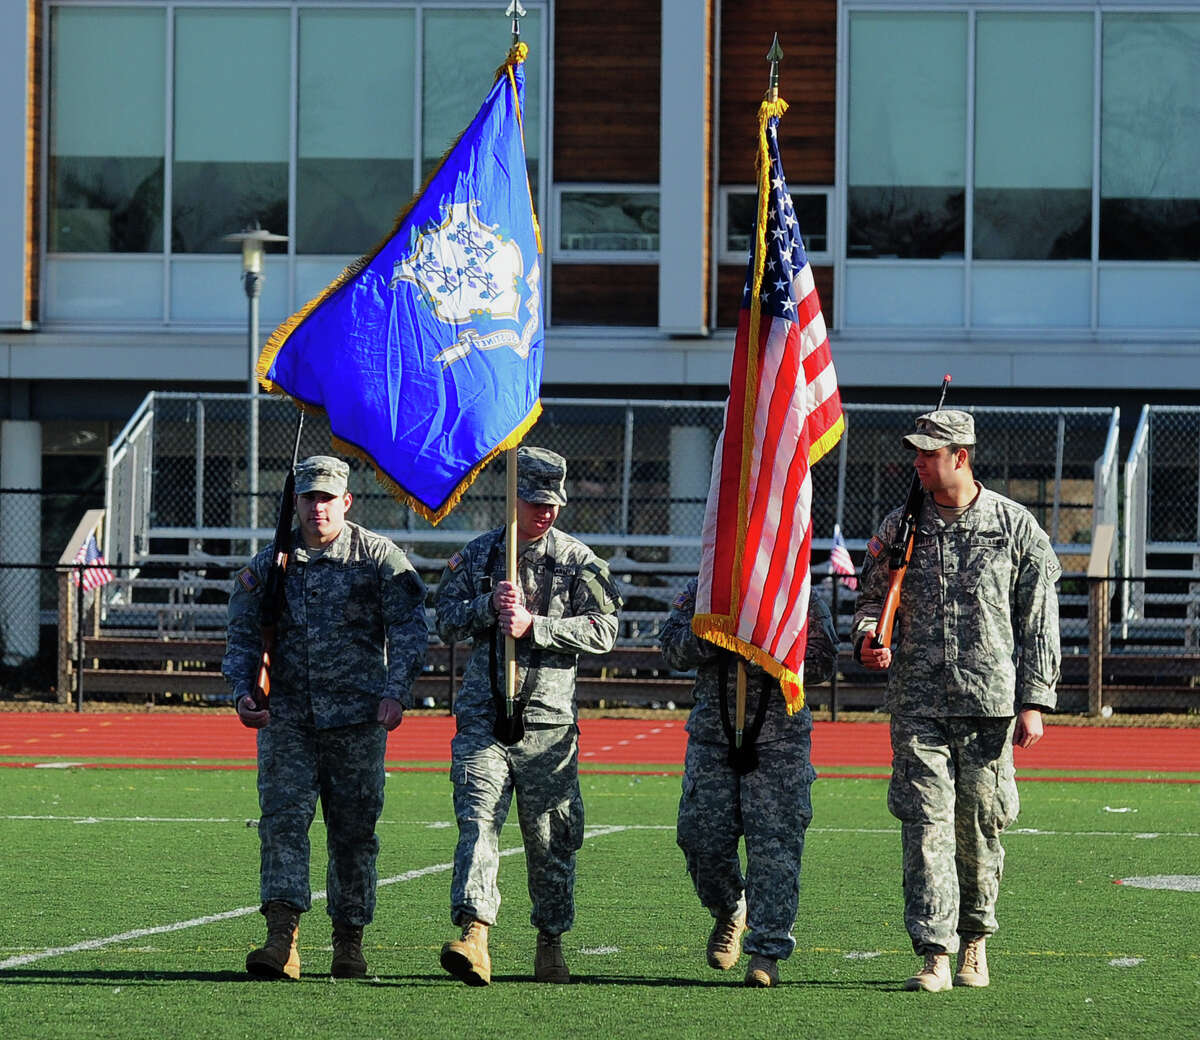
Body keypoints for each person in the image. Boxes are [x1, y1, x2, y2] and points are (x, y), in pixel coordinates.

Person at [852, 409, 1061, 992]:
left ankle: (974, 942)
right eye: (917, 453)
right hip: (917, 704)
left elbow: (1039, 618)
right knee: (924, 826)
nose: (917, 462)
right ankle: (934, 951)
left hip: (987, 705)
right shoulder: (899, 528)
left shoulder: (1013, 526)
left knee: (980, 827)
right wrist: (869, 637)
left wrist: (1035, 700)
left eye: (927, 453)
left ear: (960, 457)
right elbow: (869, 602)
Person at [223, 454, 429, 981]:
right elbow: (243, 637)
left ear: (346, 501)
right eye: (308, 497)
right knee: (282, 825)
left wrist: (396, 692)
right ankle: (281, 938)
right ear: (296, 501)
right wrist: (244, 692)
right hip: (287, 720)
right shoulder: (271, 564)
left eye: (327, 498)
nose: (317, 507)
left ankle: (349, 940)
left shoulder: (379, 557)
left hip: (357, 721)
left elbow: (409, 630)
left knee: (354, 833)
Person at [434, 446, 621, 986]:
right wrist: (485, 609)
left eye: (553, 503)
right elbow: (443, 619)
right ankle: (475, 934)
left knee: (550, 841)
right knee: (478, 821)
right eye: (535, 501)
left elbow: (605, 631)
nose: (546, 512)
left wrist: (534, 626)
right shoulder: (480, 557)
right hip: (485, 720)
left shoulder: (579, 562)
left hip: (547, 725)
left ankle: (551, 939)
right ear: (513, 498)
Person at [660, 578, 838, 989]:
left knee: (775, 848)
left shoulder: (796, 587)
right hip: (713, 736)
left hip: (780, 739)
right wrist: (715, 635)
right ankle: (728, 911)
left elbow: (823, 660)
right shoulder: (707, 585)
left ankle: (766, 951)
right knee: (701, 837)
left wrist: (764, 650)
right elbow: (671, 647)